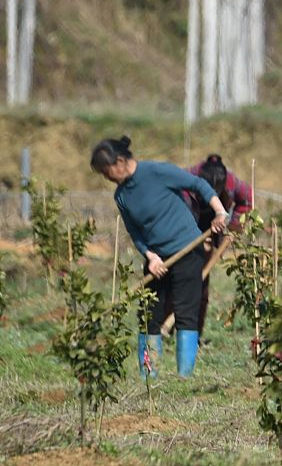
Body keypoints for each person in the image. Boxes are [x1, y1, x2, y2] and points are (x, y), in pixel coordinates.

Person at [91, 136, 227, 378]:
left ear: (120, 161)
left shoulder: (156, 171)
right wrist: (150, 256)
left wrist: (219, 212)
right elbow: (134, 230)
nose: (107, 177)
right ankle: (148, 376)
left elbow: (199, 185)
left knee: (186, 313)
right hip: (157, 261)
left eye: (107, 171)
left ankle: (183, 378)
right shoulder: (120, 196)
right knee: (148, 315)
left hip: (188, 251)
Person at [180, 154, 254, 338]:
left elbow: (246, 199)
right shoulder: (186, 179)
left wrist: (235, 225)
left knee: (201, 286)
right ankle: (169, 327)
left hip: (213, 225)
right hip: (183, 228)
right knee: (178, 281)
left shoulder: (232, 183)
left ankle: (194, 335)